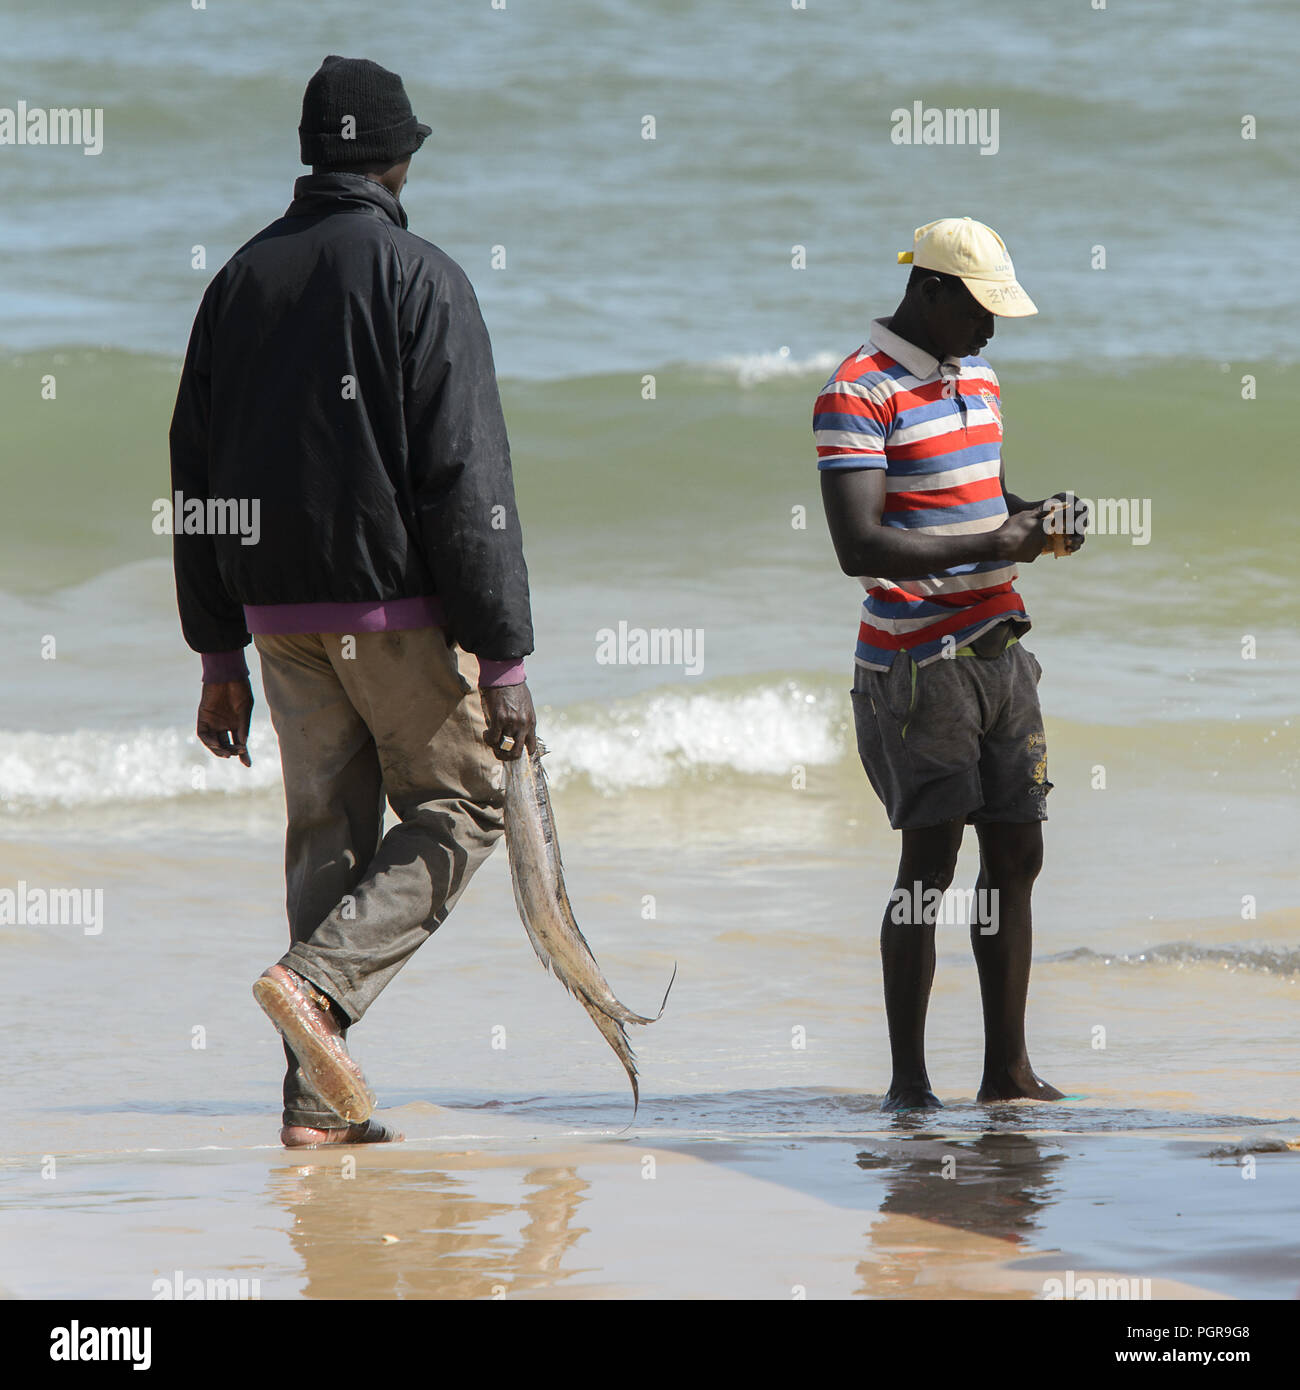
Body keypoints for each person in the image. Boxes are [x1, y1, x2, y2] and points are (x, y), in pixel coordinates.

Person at [169, 55, 536, 1148]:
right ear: (400, 157)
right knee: (463, 808)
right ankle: (318, 985)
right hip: (392, 610)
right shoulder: (421, 277)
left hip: (277, 618)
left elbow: (193, 471)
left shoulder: (236, 282)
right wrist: (504, 658)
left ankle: (312, 1105)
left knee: (326, 835)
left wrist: (217, 650)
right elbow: (466, 477)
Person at [814, 217, 1088, 1111]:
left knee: (1017, 852)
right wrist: (994, 535)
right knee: (926, 870)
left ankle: (1005, 1073)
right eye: (980, 307)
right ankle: (909, 1085)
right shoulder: (857, 393)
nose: (992, 328)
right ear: (928, 291)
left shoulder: (979, 375)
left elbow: (975, 500)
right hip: (915, 664)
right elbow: (862, 544)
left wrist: (1035, 519)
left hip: (1001, 650)